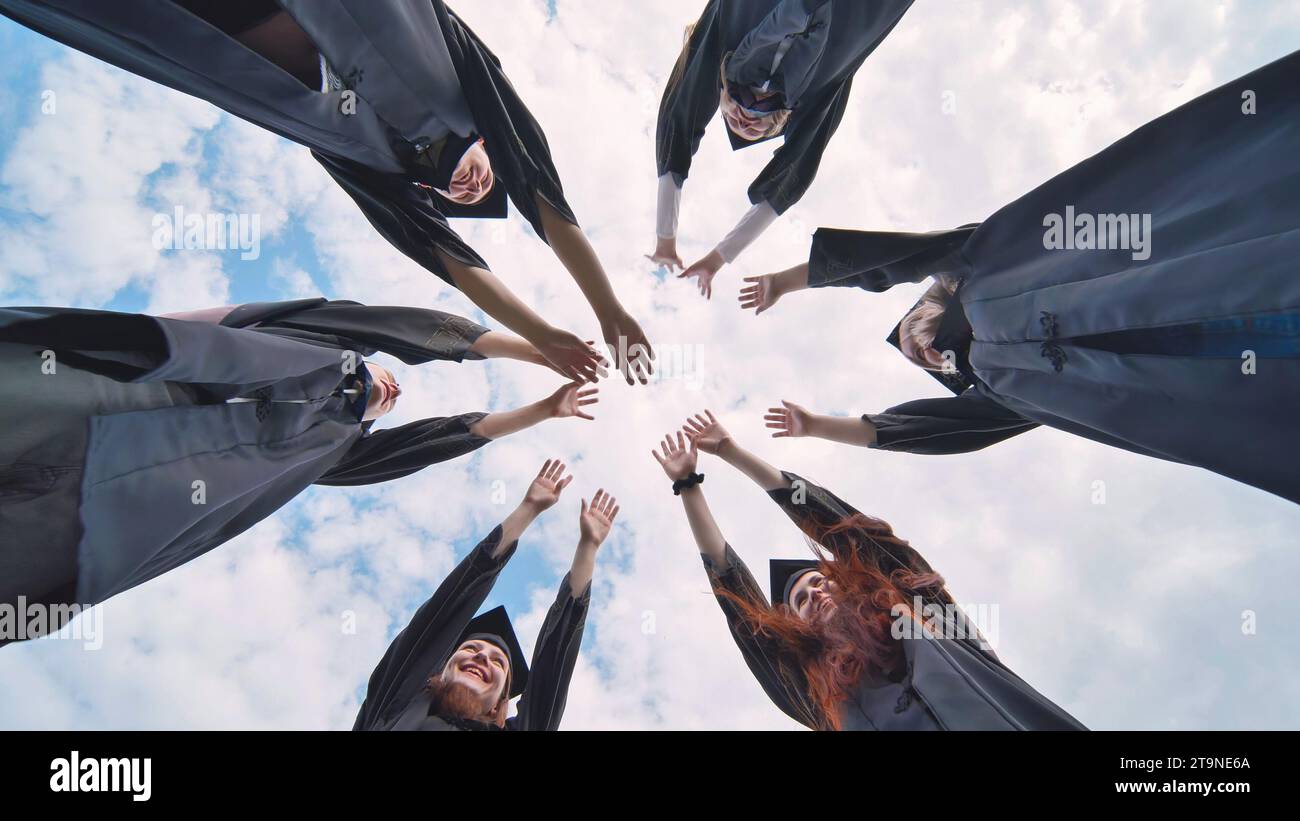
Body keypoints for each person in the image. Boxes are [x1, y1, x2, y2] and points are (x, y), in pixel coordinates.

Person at [746, 48, 1300, 505]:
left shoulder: (985, 264)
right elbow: (919, 431)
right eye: (923, 357)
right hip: (1198, 374)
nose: (922, 350)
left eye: (916, 334)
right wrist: (816, 426)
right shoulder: (1004, 391)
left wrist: (788, 281)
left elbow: (890, 260)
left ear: (931, 306)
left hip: (1188, 274)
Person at [0, 0, 654, 383]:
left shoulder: (375, 169)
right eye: (483, 176)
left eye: (456, 197)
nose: (469, 185)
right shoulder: (466, 82)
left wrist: (541, 333)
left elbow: (462, 270)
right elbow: (541, 193)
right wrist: (609, 310)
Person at [0, 298, 598, 646]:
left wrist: (544, 409)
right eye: (387, 378)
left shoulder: (336, 450)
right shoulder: (321, 339)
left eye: (392, 401)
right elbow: (402, 330)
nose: (392, 389)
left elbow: (444, 439)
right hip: (122, 396)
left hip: (116, 505)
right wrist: (535, 348)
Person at [651, 410, 1086, 730]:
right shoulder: (817, 696)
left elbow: (850, 532)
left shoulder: (925, 614)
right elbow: (741, 608)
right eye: (800, 600)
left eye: (821, 583)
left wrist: (733, 453)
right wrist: (689, 487)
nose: (815, 594)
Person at [650, 0, 915, 298]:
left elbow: (678, 120)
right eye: (757, 120)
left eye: (735, 108)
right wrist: (718, 258)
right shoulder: (813, 91)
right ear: (779, 121)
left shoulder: (729, 49)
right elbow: (788, 182)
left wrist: (665, 238)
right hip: (847, 11)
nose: (745, 118)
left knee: (738, 65)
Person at [353, 459, 618, 731]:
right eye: (471, 648)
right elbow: (441, 614)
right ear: (438, 672)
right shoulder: (392, 707)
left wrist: (588, 547)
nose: (481, 658)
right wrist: (527, 509)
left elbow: (553, 672)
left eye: (497, 662)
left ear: (497, 703)